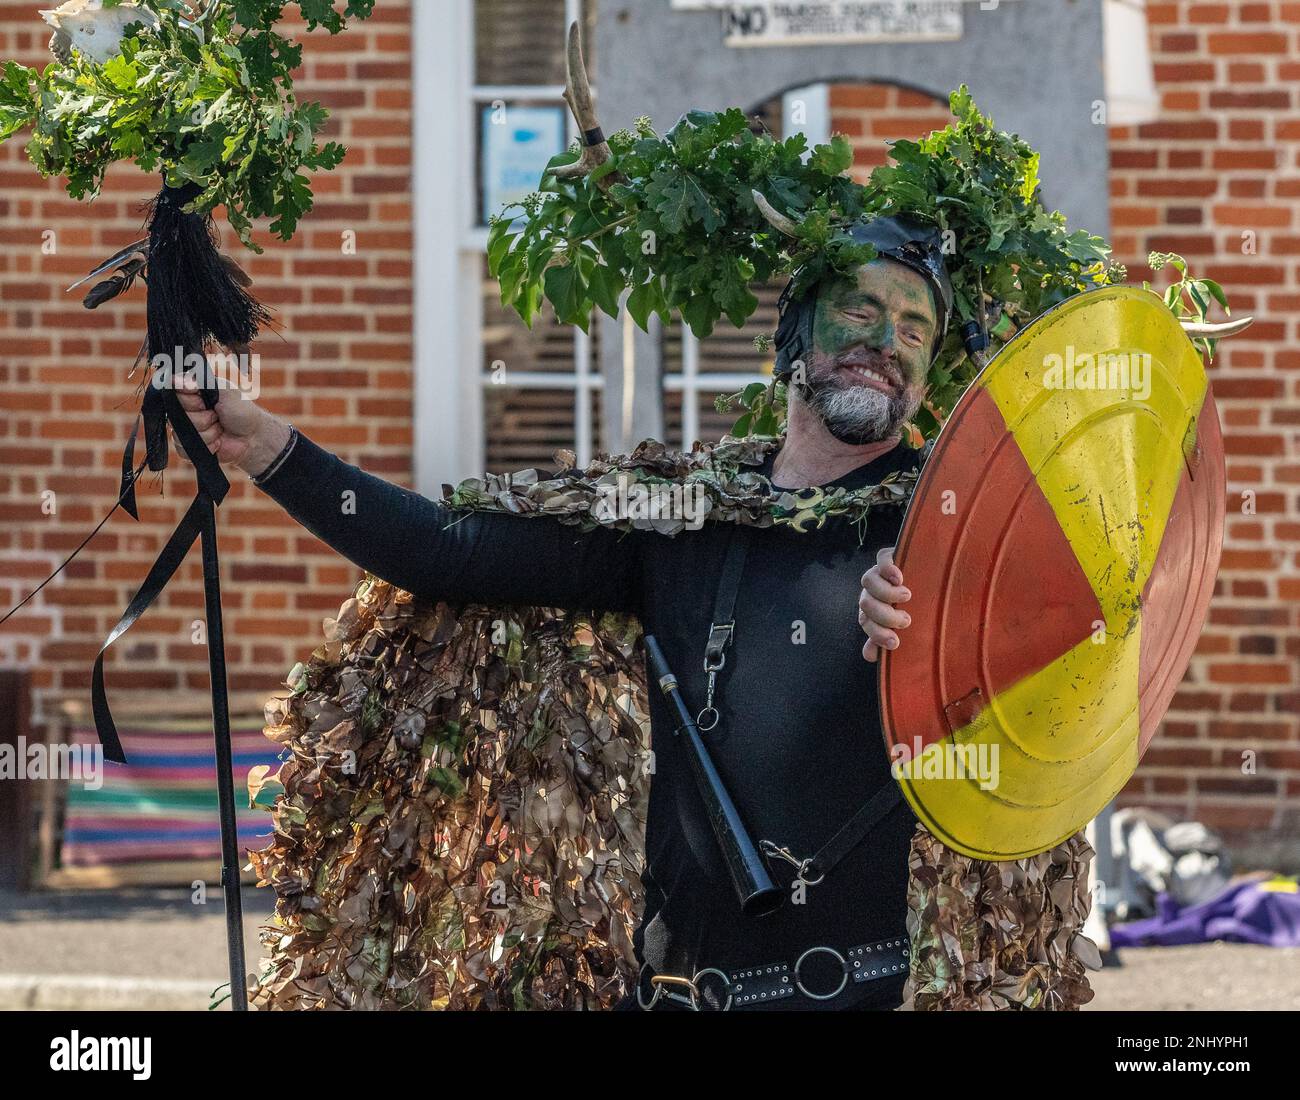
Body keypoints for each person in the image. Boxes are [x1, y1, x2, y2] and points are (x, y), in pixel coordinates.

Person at [176, 216, 950, 1011]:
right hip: (672, 995)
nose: (888, 339)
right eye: (860, 311)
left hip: (864, 994)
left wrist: (944, 630)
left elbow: (1058, 644)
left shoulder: (947, 527)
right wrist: (266, 447)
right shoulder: (687, 513)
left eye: (916, 327)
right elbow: (447, 552)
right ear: (794, 334)